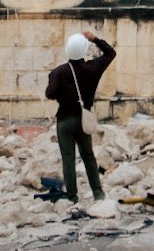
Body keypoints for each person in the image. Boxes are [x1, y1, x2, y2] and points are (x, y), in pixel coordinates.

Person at [44, 30, 115, 202]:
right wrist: (95, 39)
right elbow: (111, 53)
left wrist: (63, 94)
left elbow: (50, 93)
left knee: (68, 159)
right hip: (84, 119)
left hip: (65, 120)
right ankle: (98, 193)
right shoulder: (93, 68)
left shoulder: (58, 72)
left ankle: (72, 196)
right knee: (88, 156)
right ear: (84, 50)